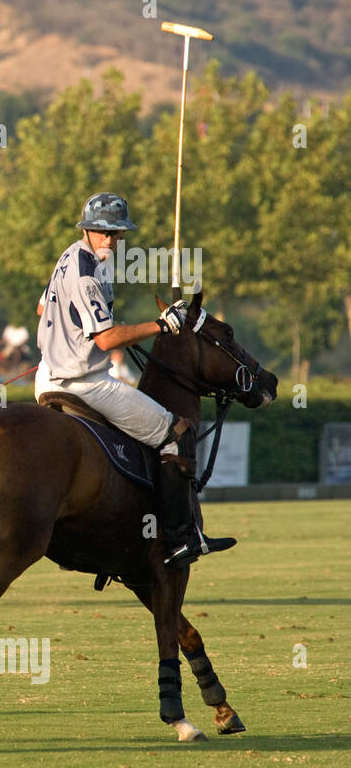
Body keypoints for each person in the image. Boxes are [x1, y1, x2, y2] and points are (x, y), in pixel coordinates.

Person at [36, 192, 232, 568]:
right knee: (176, 432)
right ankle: (179, 539)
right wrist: (161, 324)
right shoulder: (88, 273)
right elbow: (107, 339)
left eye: (116, 234)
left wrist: (61, 343)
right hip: (83, 383)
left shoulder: (70, 257)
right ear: (87, 230)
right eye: (101, 233)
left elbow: (43, 307)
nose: (110, 240)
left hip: (48, 376)